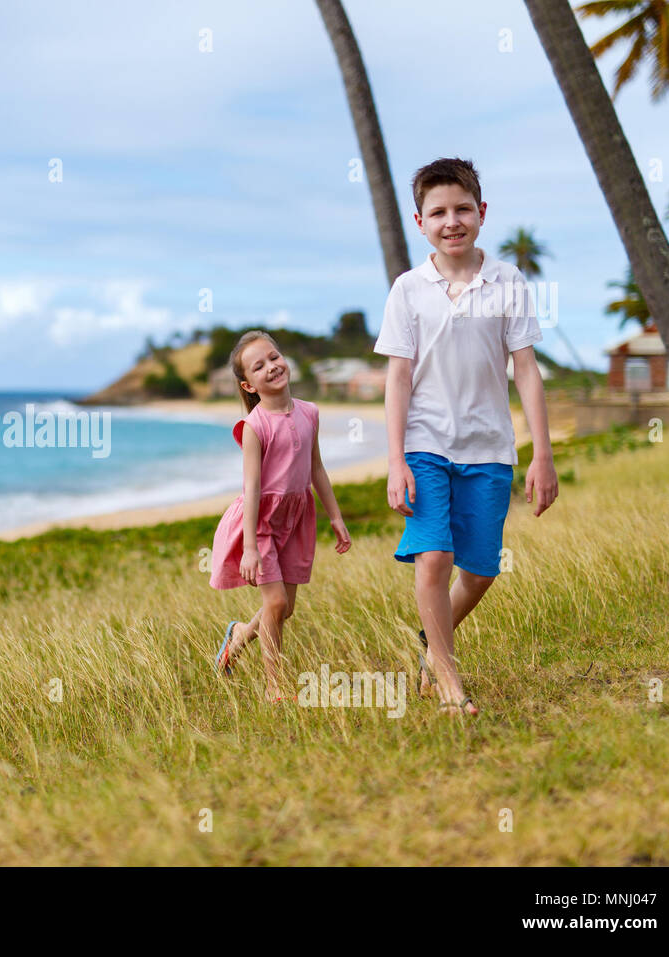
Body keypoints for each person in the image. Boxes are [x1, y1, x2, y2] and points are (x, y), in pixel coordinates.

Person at [374, 156, 559, 717]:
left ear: (481, 213)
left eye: (461, 209)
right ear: (419, 222)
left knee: (480, 570)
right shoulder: (408, 289)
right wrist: (394, 460)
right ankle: (451, 684)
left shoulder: (508, 280)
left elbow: (524, 368)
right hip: (424, 445)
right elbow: (398, 377)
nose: (450, 221)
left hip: (489, 449)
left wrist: (542, 454)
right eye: (438, 213)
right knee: (435, 558)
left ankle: (432, 650)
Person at [210, 331, 351, 702]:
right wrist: (251, 548)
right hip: (261, 522)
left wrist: (334, 516)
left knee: (284, 609)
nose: (272, 367)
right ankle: (276, 687)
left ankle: (239, 634)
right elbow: (252, 487)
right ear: (249, 384)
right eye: (259, 366)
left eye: (274, 357)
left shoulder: (310, 412)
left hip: (297, 517)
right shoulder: (255, 427)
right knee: (274, 604)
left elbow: (316, 467)